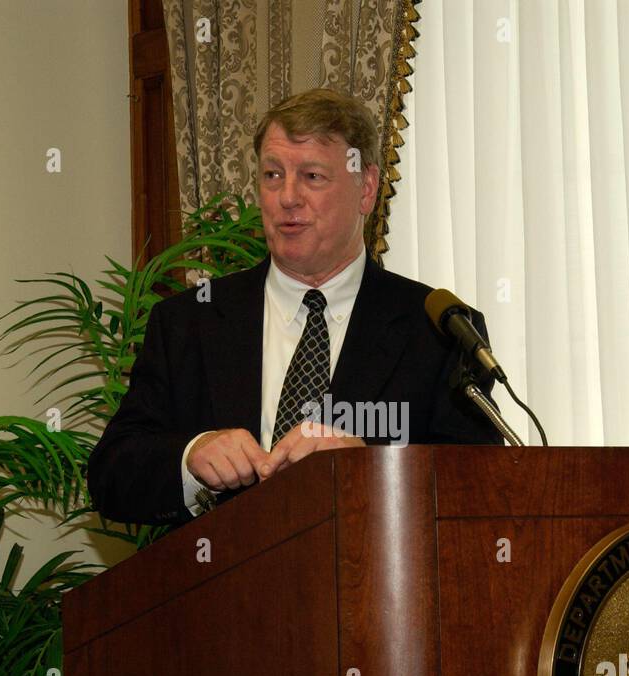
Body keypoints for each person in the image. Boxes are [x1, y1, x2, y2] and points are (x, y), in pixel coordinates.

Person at [88, 88, 501, 527]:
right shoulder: (189, 322)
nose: (287, 197)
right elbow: (112, 473)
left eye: (312, 177)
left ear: (366, 189)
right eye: (272, 175)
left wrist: (371, 468)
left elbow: (479, 486)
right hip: (223, 588)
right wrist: (191, 457)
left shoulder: (437, 328)